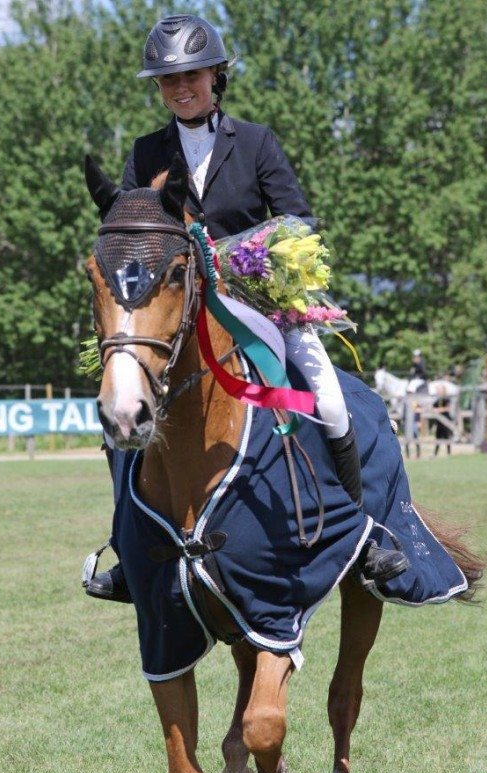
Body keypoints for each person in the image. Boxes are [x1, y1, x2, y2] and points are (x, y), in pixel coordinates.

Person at [86, 14, 408, 601]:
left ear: (216, 75)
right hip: (177, 314)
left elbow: (300, 218)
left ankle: (363, 538)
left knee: (330, 397)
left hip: (260, 305)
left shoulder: (256, 141)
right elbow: (133, 234)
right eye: (167, 79)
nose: (180, 87)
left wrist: (235, 255)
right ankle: (129, 554)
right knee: (117, 417)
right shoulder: (145, 152)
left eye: (191, 74)